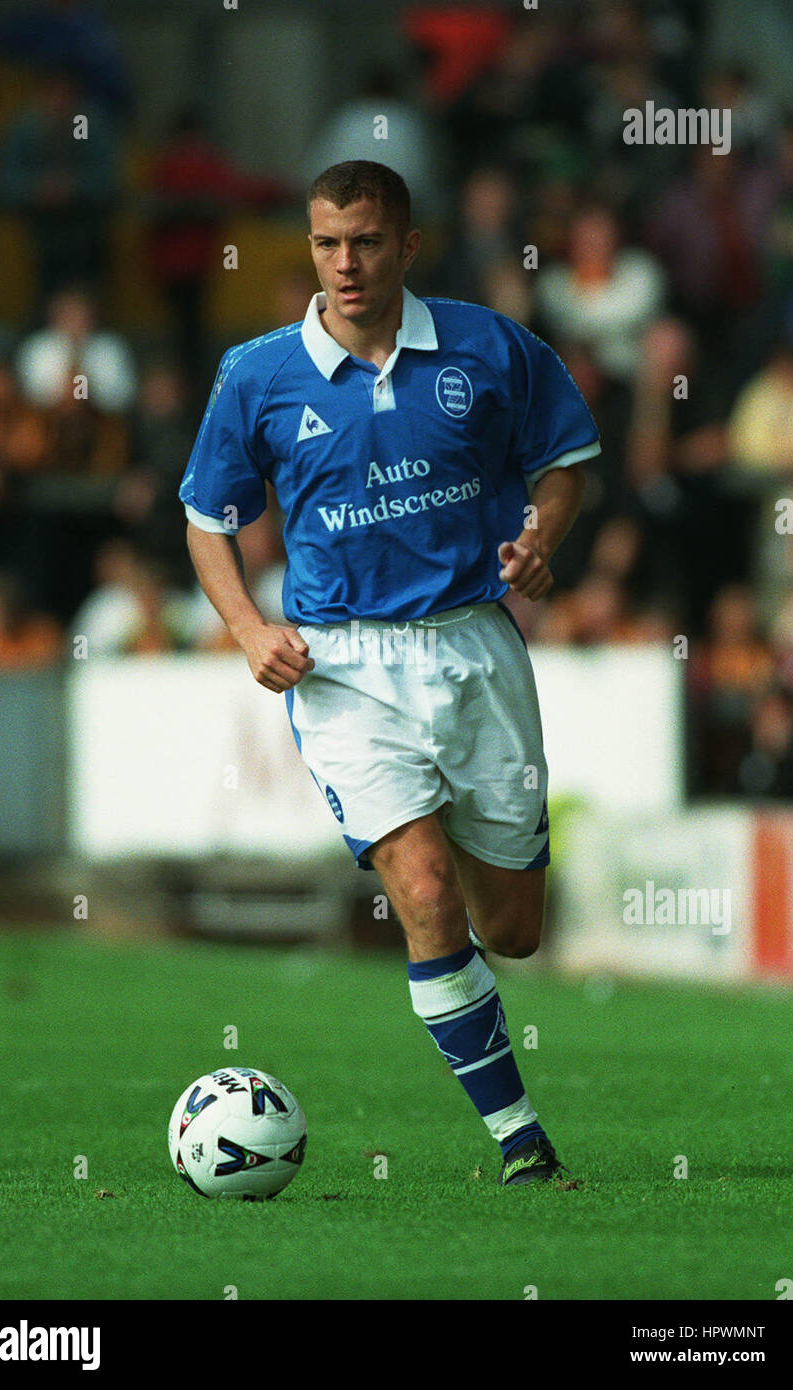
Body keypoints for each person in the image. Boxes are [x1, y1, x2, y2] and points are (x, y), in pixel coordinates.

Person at [180, 161, 600, 1188]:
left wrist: (540, 531)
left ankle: (445, 847)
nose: (345, 263)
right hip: (342, 667)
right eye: (326, 243)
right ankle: (519, 1144)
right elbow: (205, 520)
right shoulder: (256, 373)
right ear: (309, 246)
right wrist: (245, 630)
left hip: (472, 645)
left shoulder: (488, 344)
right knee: (420, 892)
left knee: (515, 930)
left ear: (406, 244)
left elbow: (568, 458)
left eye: (365, 241)